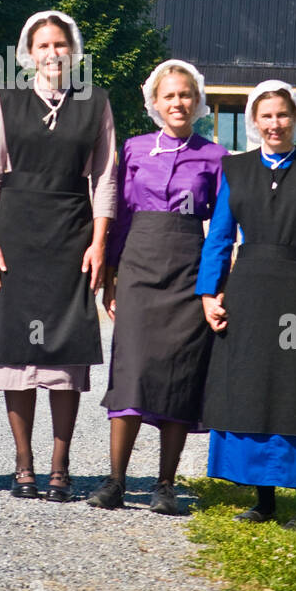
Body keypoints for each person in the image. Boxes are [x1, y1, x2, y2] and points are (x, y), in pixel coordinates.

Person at [0, 11, 116, 502]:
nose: (53, 53)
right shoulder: (7, 100)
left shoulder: (94, 101)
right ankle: (23, 465)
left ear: (73, 52)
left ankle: (60, 466)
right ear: (28, 54)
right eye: (44, 45)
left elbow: (106, 177)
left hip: (72, 235)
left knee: (65, 354)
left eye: (61, 44)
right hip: (14, 234)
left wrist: (100, 241)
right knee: (18, 352)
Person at [196, 79, 296, 531]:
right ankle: (263, 501)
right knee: (253, 391)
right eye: (266, 116)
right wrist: (209, 293)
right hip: (246, 294)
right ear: (254, 121)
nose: (275, 123)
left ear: (295, 118)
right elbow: (220, 236)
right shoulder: (236, 169)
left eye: (283, 114)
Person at [88, 61, 227, 515]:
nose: (178, 103)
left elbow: (224, 227)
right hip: (138, 267)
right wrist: (110, 274)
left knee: (179, 375)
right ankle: (115, 481)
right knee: (129, 369)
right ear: (154, 103)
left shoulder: (216, 157)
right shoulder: (131, 150)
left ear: (198, 101)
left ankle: (165, 485)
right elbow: (120, 218)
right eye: (169, 96)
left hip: (189, 267)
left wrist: (215, 285)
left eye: (185, 95)